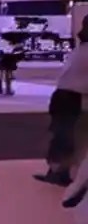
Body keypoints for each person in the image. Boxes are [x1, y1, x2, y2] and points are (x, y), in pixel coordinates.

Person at [36, 20, 88, 186]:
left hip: (64, 95)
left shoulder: (81, 49)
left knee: (63, 135)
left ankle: (58, 171)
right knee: (69, 136)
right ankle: (61, 173)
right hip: (74, 98)